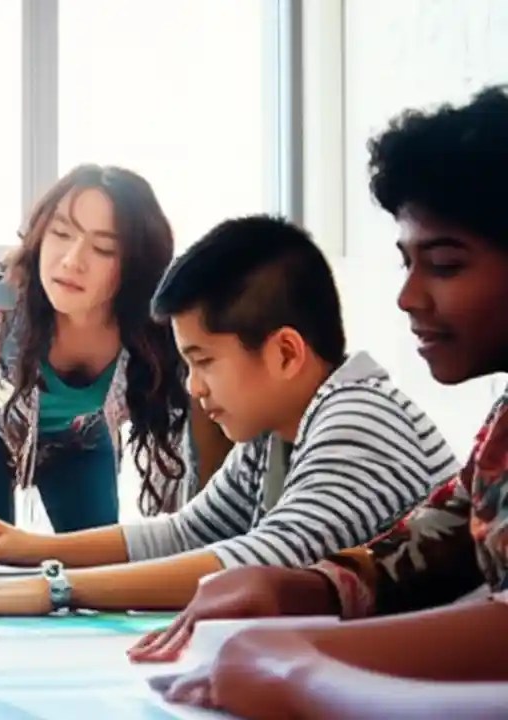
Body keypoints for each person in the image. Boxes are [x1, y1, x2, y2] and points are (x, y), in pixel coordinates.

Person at [133, 85, 508, 720]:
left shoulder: (353, 414)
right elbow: (428, 551)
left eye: (444, 265)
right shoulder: (500, 432)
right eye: (406, 264)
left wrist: (301, 659)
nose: (408, 298)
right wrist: (303, 588)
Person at [0, 215, 460, 616]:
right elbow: (188, 532)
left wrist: (51, 589)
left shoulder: (357, 418)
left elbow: (260, 560)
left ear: (286, 352)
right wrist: (26, 547)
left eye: (203, 361)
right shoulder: (276, 432)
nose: (193, 386)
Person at [0, 164, 231, 536]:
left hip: (83, 441)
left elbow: (188, 440)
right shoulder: (2, 292)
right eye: (61, 233)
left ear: (134, 266)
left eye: (103, 248)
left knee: (96, 568)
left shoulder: (156, 325)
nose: (72, 260)